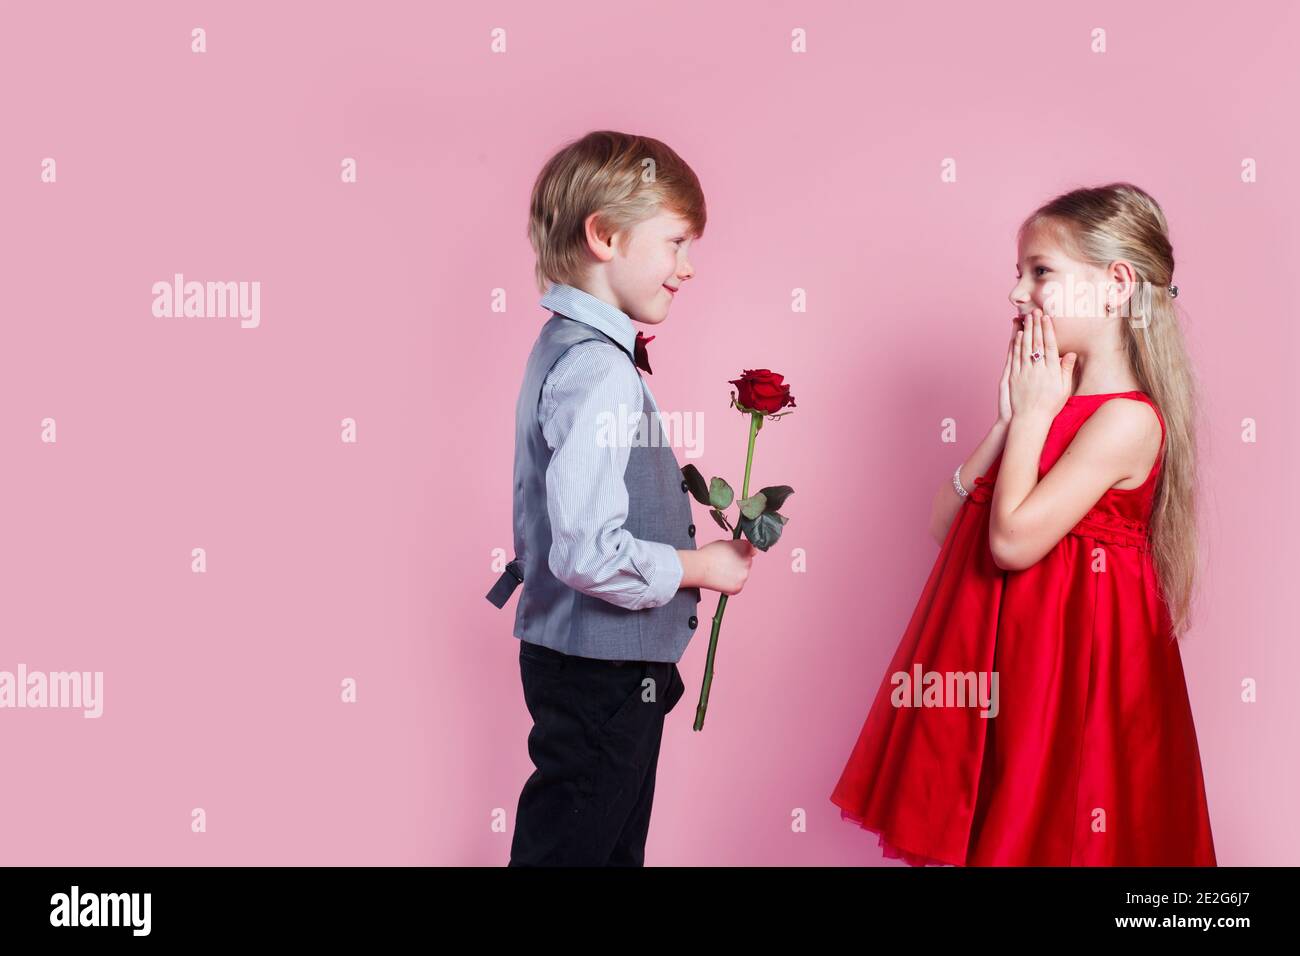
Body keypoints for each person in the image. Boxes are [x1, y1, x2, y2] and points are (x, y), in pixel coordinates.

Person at [830, 183, 1216, 866]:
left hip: (1071, 674)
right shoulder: (1051, 400)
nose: (1017, 293)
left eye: (1040, 271)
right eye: (1018, 273)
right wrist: (1012, 421)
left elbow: (1009, 543)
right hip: (1014, 666)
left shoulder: (1126, 419)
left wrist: (1036, 418)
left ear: (1115, 285)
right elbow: (949, 523)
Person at [488, 130, 755, 866]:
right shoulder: (596, 370)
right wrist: (701, 566)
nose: (688, 268)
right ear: (604, 236)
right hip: (599, 674)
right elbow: (586, 552)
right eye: (675, 244)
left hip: (599, 669)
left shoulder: (571, 348)